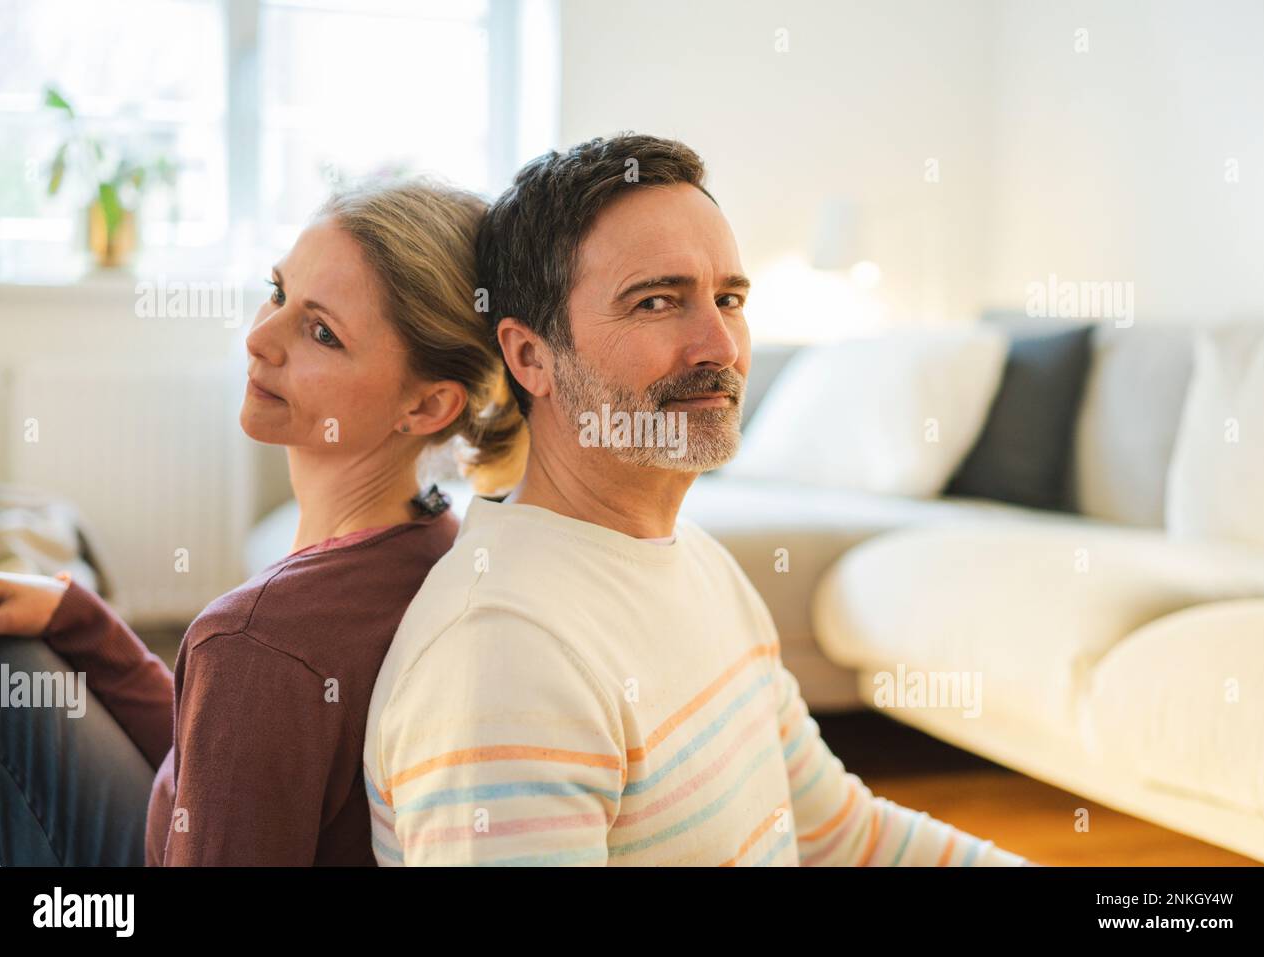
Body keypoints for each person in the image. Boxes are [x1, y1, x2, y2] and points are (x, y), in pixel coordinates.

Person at [364, 134, 1036, 866]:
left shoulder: (702, 565)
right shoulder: (501, 653)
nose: (719, 343)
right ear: (531, 356)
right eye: (657, 301)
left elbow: (841, 837)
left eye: (729, 299)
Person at [0, 178, 525, 865]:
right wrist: (80, 620)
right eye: (278, 292)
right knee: (22, 660)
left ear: (426, 407)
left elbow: (244, 708)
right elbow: (221, 763)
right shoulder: (436, 544)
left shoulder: (260, 639)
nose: (260, 337)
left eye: (322, 332)